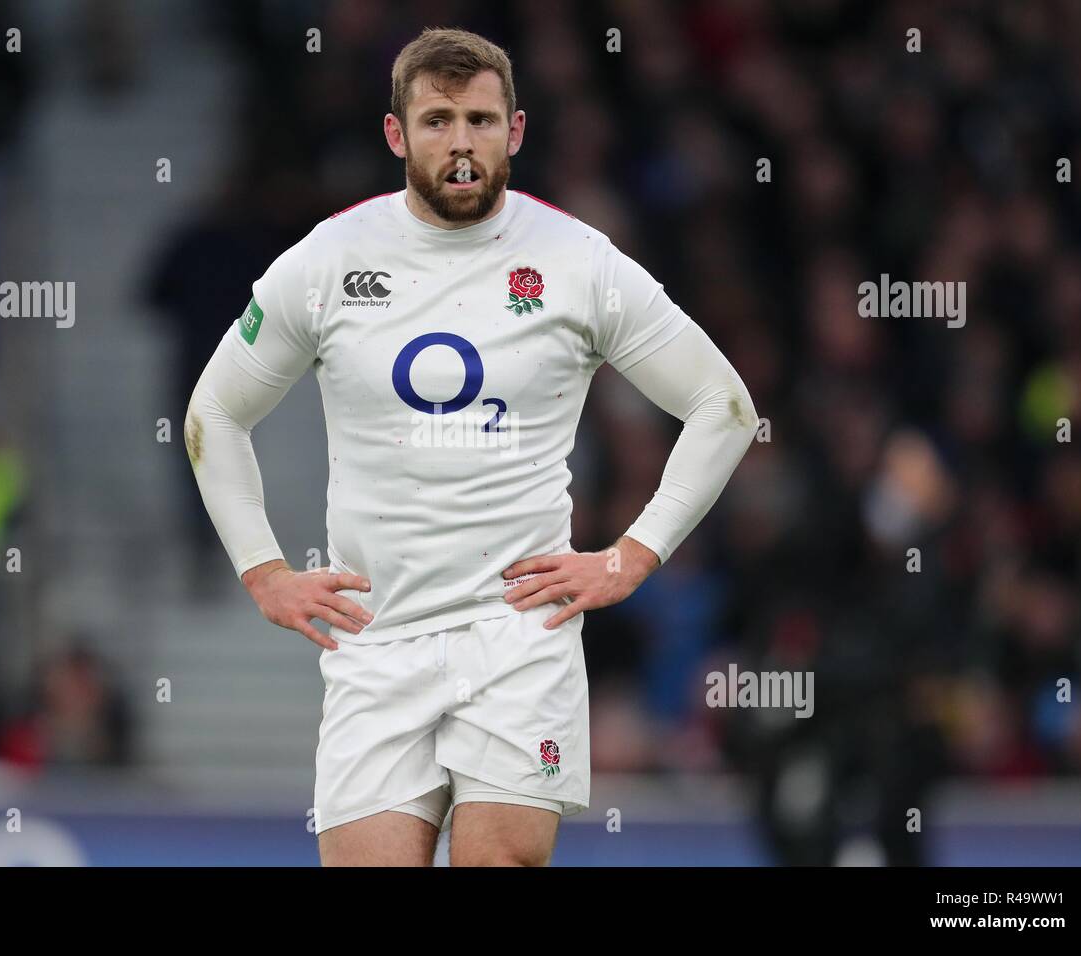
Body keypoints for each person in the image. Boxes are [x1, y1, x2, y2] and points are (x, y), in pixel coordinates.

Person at [185, 27, 757, 866]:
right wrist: (263, 569)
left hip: (517, 634)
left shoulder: (578, 260)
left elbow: (724, 404)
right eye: (439, 120)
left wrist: (632, 555)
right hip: (377, 640)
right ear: (397, 135)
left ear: (516, 132)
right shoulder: (327, 261)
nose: (461, 144)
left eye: (482, 121)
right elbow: (213, 413)